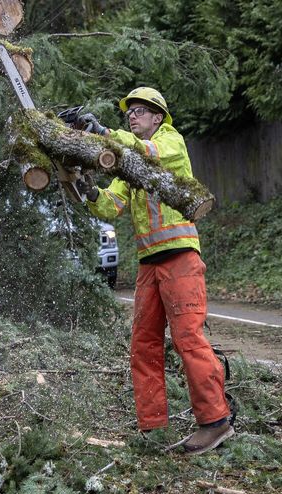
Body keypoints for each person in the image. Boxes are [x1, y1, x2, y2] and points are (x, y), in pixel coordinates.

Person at [76, 87, 235, 455]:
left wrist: (103, 134)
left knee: (188, 339)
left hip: (180, 258)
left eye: (140, 111)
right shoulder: (129, 165)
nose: (132, 116)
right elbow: (110, 205)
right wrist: (87, 190)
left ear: (158, 117)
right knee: (143, 344)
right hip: (149, 263)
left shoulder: (169, 143)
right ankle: (153, 428)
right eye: (129, 112)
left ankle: (215, 421)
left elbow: (144, 153)